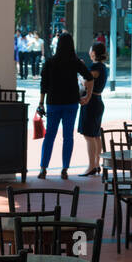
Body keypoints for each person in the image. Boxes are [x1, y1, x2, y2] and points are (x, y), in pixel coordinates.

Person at [35, 32, 93, 180]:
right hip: (71, 103)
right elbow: (89, 77)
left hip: (53, 103)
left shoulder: (50, 62)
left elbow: (44, 85)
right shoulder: (75, 62)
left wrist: (41, 103)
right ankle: (65, 169)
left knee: (50, 136)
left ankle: (43, 168)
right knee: (68, 137)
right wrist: (88, 96)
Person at [77, 41, 108, 175]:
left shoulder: (95, 67)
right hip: (98, 100)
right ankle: (96, 164)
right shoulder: (102, 66)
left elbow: (86, 80)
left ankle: (92, 165)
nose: (89, 52)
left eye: (90, 50)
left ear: (94, 53)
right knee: (95, 135)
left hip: (91, 102)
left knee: (89, 135)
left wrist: (82, 71)